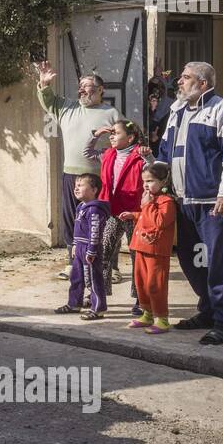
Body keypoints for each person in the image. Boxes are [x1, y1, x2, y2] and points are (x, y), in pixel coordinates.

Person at [147, 60, 223, 346]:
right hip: (182, 201)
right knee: (190, 260)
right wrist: (154, 186)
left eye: (185, 77)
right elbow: (165, 154)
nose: (178, 82)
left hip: (213, 203)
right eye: (180, 77)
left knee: (218, 262)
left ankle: (222, 322)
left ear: (203, 83)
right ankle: (206, 310)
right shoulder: (177, 112)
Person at [35, 60, 121, 279]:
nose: (82, 89)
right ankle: (73, 262)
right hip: (71, 174)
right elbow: (48, 101)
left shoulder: (111, 113)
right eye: (80, 86)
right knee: (72, 219)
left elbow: (122, 142)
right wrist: (44, 84)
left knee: (104, 221)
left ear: (100, 90)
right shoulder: (67, 107)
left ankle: (111, 267)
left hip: (99, 176)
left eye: (88, 86)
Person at [84, 119, 146, 311]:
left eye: (116, 133)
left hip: (134, 214)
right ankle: (98, 292)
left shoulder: (140, 156)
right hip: (111, 212)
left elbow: (157, 170)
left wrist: (148, 156)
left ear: (130, 137)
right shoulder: (108, 154)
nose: (111, 136)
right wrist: (95, 136)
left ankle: (141, 299)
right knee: (103, 252)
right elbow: (87, 153)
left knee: (138, 257)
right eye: (111, 133)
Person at [119, 161, 177, 334]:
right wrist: (134, 215)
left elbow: (159, 222)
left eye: (150, 181)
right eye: (144, 181)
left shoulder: (166, 201)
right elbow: (146, 218)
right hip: (141, 247)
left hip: (156, 251)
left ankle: (162, 319)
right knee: (141, 283)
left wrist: (147, 205)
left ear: (163, 181)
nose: (146, 185)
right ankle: (147, 314)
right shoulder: (151, 199)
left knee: (155, 284)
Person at [54, 173, 110, 321]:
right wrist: (74, 244)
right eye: (75, 186)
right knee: (76, 277)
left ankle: (98, 308)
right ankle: (74, 304)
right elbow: (77, 229)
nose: (76, 188)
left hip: (89, 250)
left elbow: (95, 231)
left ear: (94, 190)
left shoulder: (95, 210)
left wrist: (91, 250)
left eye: (81, 185)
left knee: (92, 279)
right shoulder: (80, 207)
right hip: (78, 247)